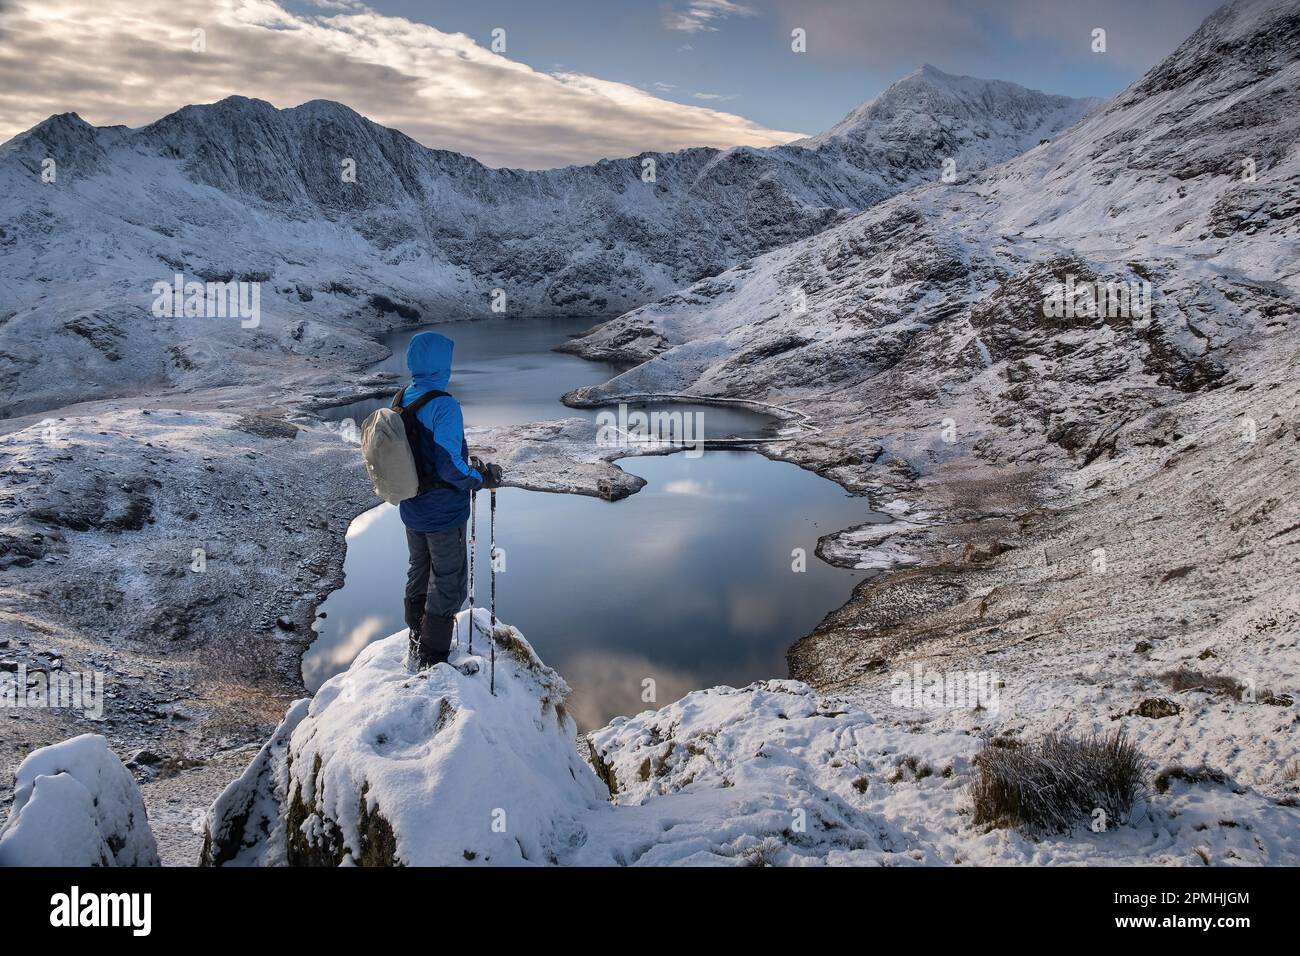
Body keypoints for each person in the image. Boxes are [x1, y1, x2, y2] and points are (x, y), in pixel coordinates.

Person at [397, 331, 502, 669]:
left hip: (412, 507)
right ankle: (434, 657)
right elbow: (447, 464)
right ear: (443, 364)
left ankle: (416, 639)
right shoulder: (443, 405)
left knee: (419, 569)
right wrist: (480, 479)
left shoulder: (402, 397)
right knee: (449, 581)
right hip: (443, 513)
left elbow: (422, 455)